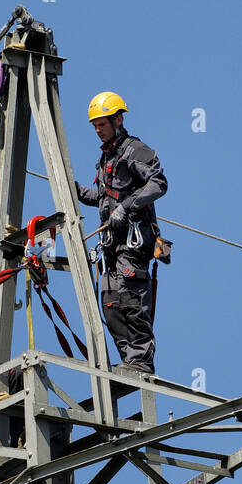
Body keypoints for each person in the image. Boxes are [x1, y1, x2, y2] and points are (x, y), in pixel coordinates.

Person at [75, 92, 167, 375]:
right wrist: (75, 190)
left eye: (101, 124)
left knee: (130, 297)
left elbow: (159, 184)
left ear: (118, 120)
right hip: (112, 246)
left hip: (134, 240)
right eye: (94, 126)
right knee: (110, 300)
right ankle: (130, 360)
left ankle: (141, 360)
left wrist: (126, 207)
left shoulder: (134, 150)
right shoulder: (106, 159)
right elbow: (103, 196)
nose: (97, 130)